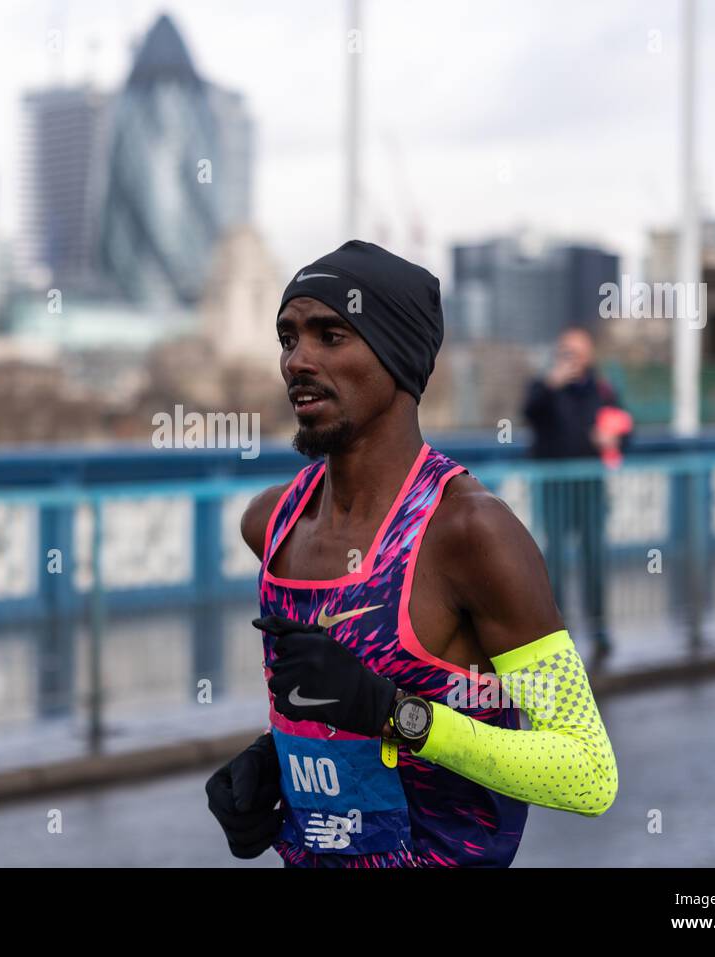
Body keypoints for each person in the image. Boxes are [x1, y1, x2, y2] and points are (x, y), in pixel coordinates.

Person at [205, 241, 617, 867]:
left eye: (331, 335)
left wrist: (398, 715)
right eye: (289, 338)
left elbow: (586, 772)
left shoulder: (470, 533)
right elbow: (336, 713)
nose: (298, 360)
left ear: (396, 355)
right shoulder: (271, 523)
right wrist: (272, 764)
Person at [522, 325, 628, 663]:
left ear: (589, 356)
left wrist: (613, 441)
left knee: (595, 556)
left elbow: (624, 427)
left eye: (578, 353)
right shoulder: (545, 386)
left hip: (591, 487)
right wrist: (551, 385)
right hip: (555, 487)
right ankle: (557, 634)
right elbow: (528, 412)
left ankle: (598, 629)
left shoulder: (602, 388)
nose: (572, 359)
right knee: (552, 561)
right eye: (566, 352)